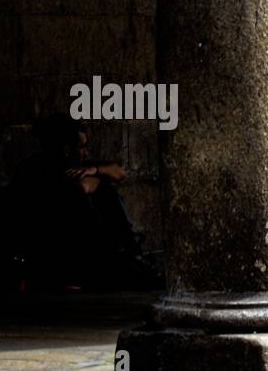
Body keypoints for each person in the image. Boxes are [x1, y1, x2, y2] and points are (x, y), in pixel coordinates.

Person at [11, 113, 161, 290]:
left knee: (105, 189)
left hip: (92, 252)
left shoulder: (79, 166)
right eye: (81, 147)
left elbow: (119, 172)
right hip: (58, 255)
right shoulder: (36, 169)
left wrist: (96, 171)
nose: (86, 152)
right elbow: (79, 190)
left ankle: (127, 253)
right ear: (66, 149)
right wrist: (95, 180)